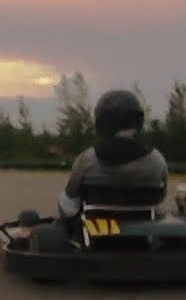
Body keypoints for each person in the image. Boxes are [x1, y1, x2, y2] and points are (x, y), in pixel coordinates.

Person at [57, 89, 169, 230]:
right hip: (142, 230)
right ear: (138, 120)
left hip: (97, 230)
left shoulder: (88, 158)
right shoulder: (157, 160)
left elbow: (71, 193)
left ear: (101, 121)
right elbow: (161, 195)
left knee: (65, 198)